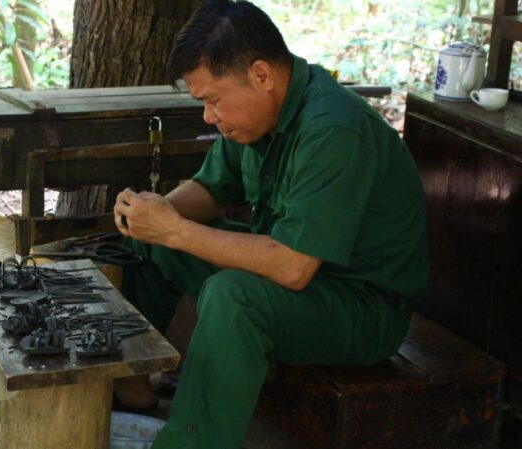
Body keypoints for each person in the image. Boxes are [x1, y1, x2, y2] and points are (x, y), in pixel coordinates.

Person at [112, 1, 430, 448]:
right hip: (299, 274)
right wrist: (154, 213)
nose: (208, 116)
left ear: (261, 74)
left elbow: (292, 267)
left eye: (213, 100)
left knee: (233, 297)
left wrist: (175, 229)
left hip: (362, 307)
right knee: (152, 240)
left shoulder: (333, 128)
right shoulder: (259, 117)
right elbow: (210, 189)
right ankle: (132, 390)